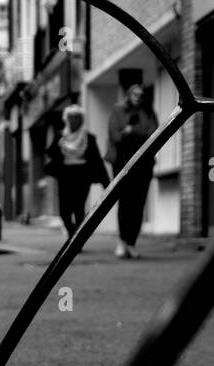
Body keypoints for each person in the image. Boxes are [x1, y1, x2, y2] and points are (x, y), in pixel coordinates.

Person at [105, 73, 159, 259]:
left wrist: (132, 130)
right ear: (128, 94)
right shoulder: (118, 110)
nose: (138, 96)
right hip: (123, 161)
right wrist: (132, 133)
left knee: (138, 203)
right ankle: (122, 241)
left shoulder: (148, 112)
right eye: (135, 93)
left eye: (141, 94)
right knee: (125, 202)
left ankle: (132, 242)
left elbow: (155, 134)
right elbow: (115, 135)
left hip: (143, 163)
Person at [45, 104, 110, 239]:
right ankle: (71, 230)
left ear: (81, 119)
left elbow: (96, 159)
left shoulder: (88, 138)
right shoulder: (60, 137)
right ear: (66, 119)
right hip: (65, 175)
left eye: (77, 117)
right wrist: (57, 147)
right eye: (70, 117)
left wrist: (106, 183)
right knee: (64, 210)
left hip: (82, 175)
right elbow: (50, 152)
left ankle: (77, 238)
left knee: (79, 207)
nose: (73, 120)